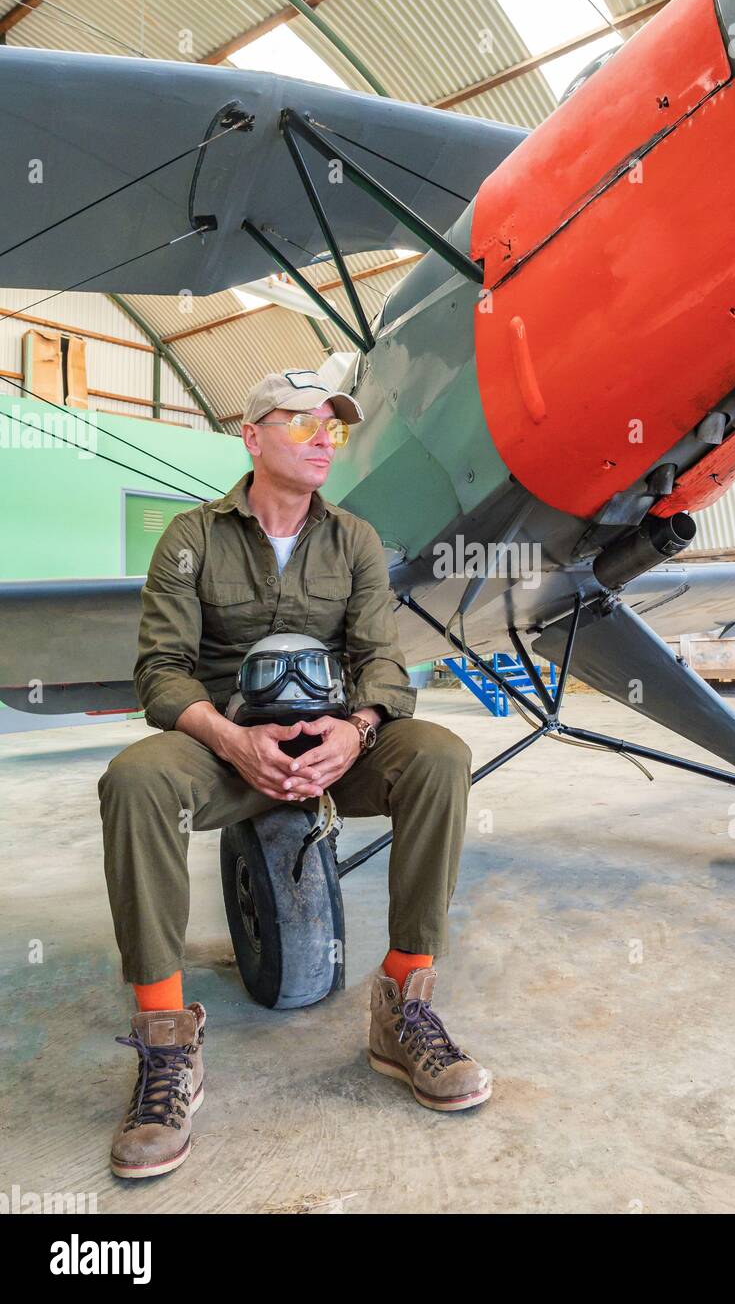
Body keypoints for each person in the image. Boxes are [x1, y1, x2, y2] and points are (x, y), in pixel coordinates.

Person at [98, 369, 490, 1180]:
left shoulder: (354, 540)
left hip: (332, 750)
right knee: (135, 779)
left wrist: (355, 731)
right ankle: (165, 1044)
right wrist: (233, 743)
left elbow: (382, 662)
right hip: (223, 749)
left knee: (440, 758)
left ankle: (401, 1004)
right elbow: (162, 673)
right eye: (302, 421)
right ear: (251, 437)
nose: (324, 438)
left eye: (333, 426)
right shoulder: (189, 538)